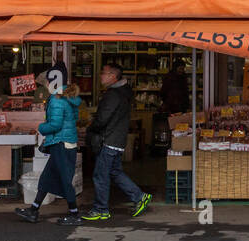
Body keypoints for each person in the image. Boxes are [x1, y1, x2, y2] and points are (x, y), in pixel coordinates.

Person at [16, 61, 83, 225]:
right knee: (47, 177)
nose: (45, 83)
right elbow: (74, 118)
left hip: (62, 144)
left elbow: (55, 125)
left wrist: (40, 127)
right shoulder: (68, 97)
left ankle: (75, 215)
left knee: (65, 181)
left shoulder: (56, 99)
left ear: (53, 81)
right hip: (63, 143)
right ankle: (33, 210)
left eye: (46, 80)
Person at [83, 62, 151, 221]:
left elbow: (102, 119)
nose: (100, 76)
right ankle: (139, 196)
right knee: (115, 172)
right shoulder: (123, 92)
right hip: (117, 140)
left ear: (113, 76)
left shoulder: (113, 94)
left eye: (103, 73)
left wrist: (91, 127)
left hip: (109, 140)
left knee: (100, 176)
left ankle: (100, 209)